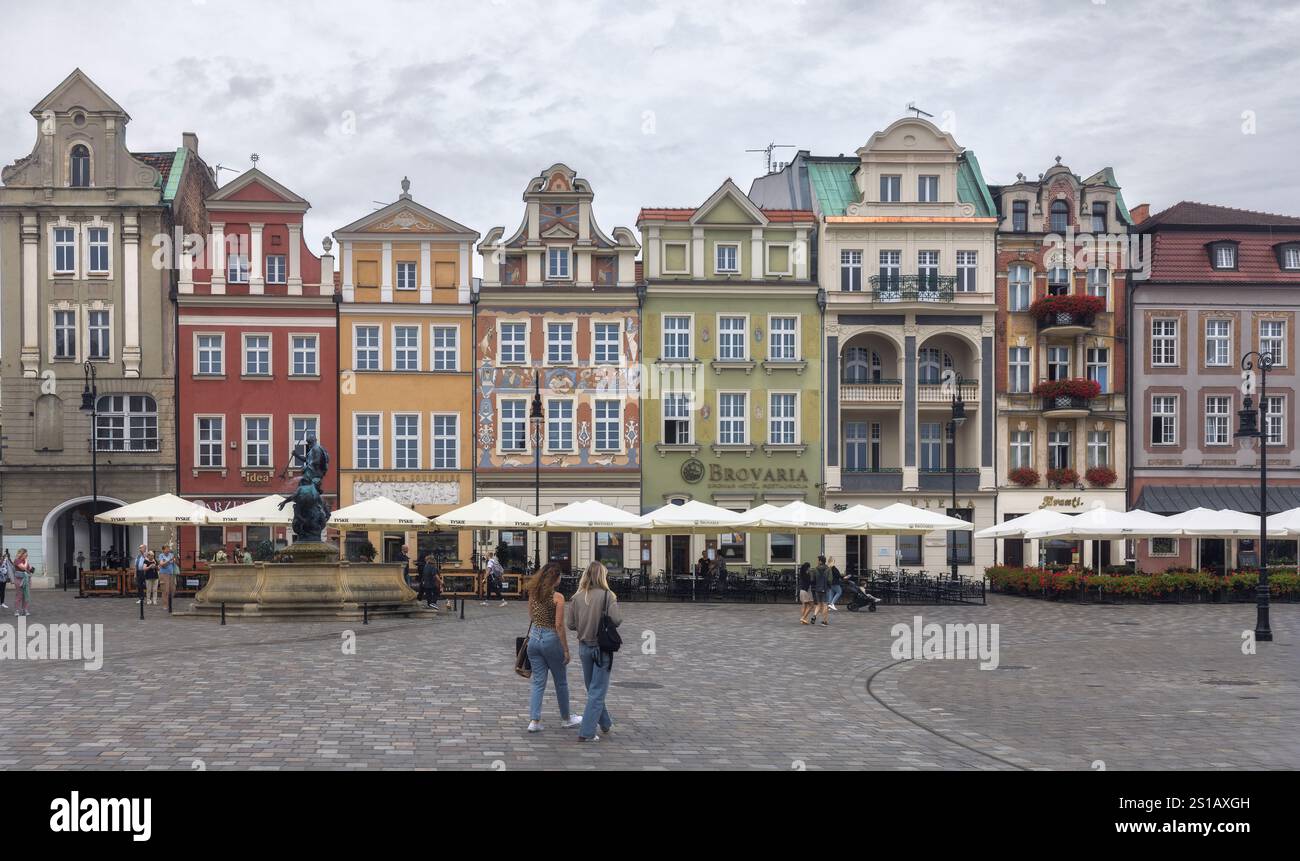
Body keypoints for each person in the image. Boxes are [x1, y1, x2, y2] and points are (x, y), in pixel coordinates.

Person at [566, 561, 622, 742]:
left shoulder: (577, 597)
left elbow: (571, 625)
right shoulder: (608, 596)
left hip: (584, 648)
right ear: (602, 576)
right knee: (597, 691)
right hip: (602, 649)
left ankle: (605, 723)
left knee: (593, 689)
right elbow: (617, 619)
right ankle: (587, 732)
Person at [524, 562, 582, 733]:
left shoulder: (533, 593)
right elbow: (559, 625)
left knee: (538, 682)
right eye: (559, 576)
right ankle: (566, 718)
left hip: (534, 638)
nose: (561, 579)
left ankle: (534, 721)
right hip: (550, 638)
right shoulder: (558, 598)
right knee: (561, 681)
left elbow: (531, 615)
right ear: (554, 578)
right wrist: (566, 649)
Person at [12, 549, 33, 617]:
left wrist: (31, 569)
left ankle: (25, 610)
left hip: (27, 579)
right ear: (22, 553)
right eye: (25, 553)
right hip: (19, 580)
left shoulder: (25, 561)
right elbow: (23, 568)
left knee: (26, 595)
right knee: (19, 595)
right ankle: (16, 611)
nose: (27, 555)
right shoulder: (17, 560)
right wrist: (26, 562)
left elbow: (30, 569)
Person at [812, 555, 831, 627]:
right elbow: (830, 580)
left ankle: (814, 616)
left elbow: (813, 579)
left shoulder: (815, 569)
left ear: (820, 561)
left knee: (819, 604)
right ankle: (824, 621)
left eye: (818, 560)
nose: (817, 561)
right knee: (825, 604)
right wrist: (829, 586)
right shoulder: (828, 569)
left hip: (817, 589)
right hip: (825, 589)